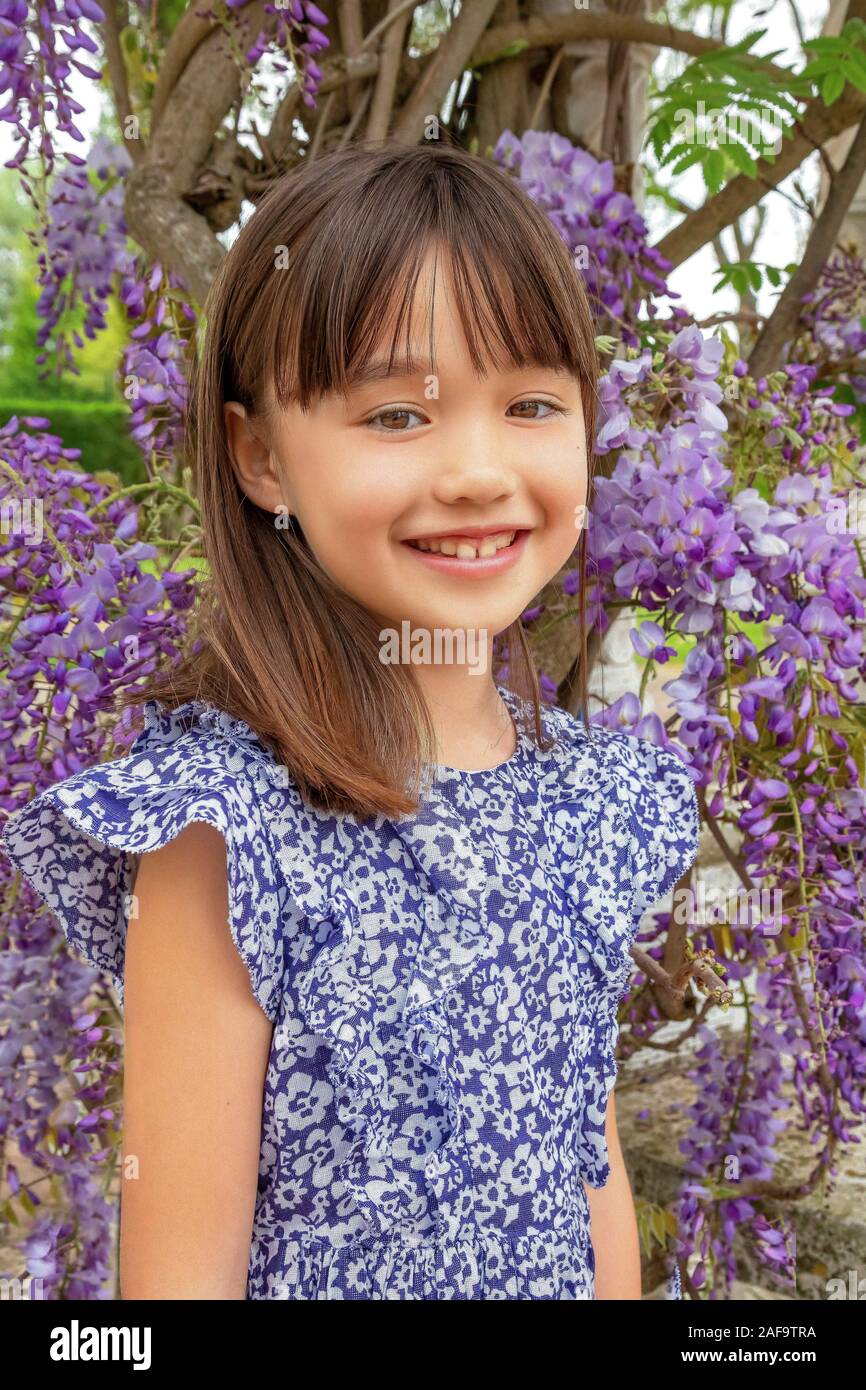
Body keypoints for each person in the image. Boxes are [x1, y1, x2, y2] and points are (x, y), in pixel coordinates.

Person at [2, 139, 699, 1300]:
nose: (478, 471)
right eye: (395, 415)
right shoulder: (221, 833)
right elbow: (177, 1284)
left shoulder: (591, 797)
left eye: (529, 403)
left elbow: (588, 1165)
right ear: (261, 456)